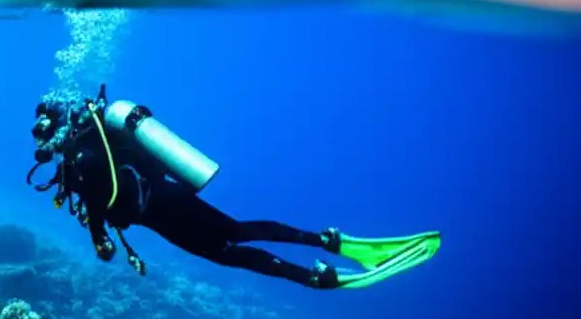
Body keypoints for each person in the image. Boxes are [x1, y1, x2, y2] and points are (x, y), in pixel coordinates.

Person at [26, 84, 440, 290]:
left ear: (59, 123)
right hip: (161, 209)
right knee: (229, 248)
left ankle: (323, 254)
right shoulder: (80, 155)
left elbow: (100, 202)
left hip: (165, 205)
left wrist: (100, 240)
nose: (43, 141)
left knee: (233, 237)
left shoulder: (85, 155)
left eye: (45, 131)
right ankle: (320, 257)